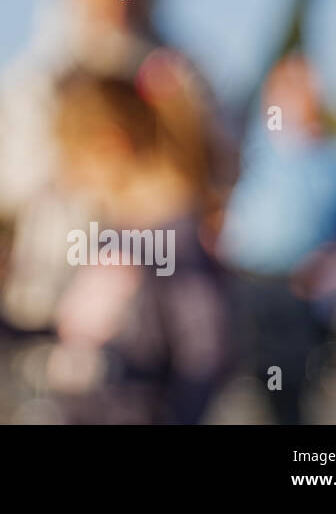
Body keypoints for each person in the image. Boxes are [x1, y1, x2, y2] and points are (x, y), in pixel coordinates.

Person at [0, 0, 235, 330]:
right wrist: (74, 159)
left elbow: (219, 166)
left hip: (164, 287)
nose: (113, 11)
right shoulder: (33, 83)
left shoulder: (178, 74)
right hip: (56, 288)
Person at [47, 61, 233, 423]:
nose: (67, 179)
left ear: (110, 146)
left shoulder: (174, 240)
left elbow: (205, 354)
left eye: (73, 160)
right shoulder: (116, 233)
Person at [217, 53, 336, 423]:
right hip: (242, 287)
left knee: (291, 399)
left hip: (302, 295)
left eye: (306, 90)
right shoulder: (241, 148)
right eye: (288, 89)